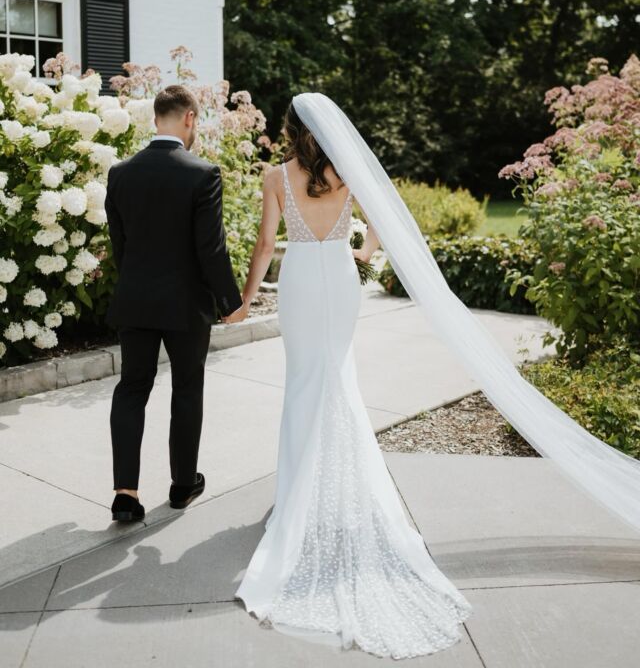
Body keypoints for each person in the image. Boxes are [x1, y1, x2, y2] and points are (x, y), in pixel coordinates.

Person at [226, 100, 472, 659]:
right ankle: (330, 491)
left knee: (303, 384)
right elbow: (383, 219)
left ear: (290, 131)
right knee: (338, 378)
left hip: (299, 281)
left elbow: (265, 245)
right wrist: (363, 250)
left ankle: (296, 496)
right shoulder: (348, 173)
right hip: (340, 276)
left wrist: (244, 300)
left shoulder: (275, 177)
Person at [105, 85, 242, 523]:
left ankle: (125, 494)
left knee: (132, 388)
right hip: (186, 306)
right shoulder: (203, 173)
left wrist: (138, 284)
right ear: (189, 118)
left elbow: (121, 246)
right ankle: (183, 485)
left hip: (136, 300)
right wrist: (230, 301)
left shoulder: (120, 173)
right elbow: (211, 249)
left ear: (155, 119)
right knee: (187, 387)